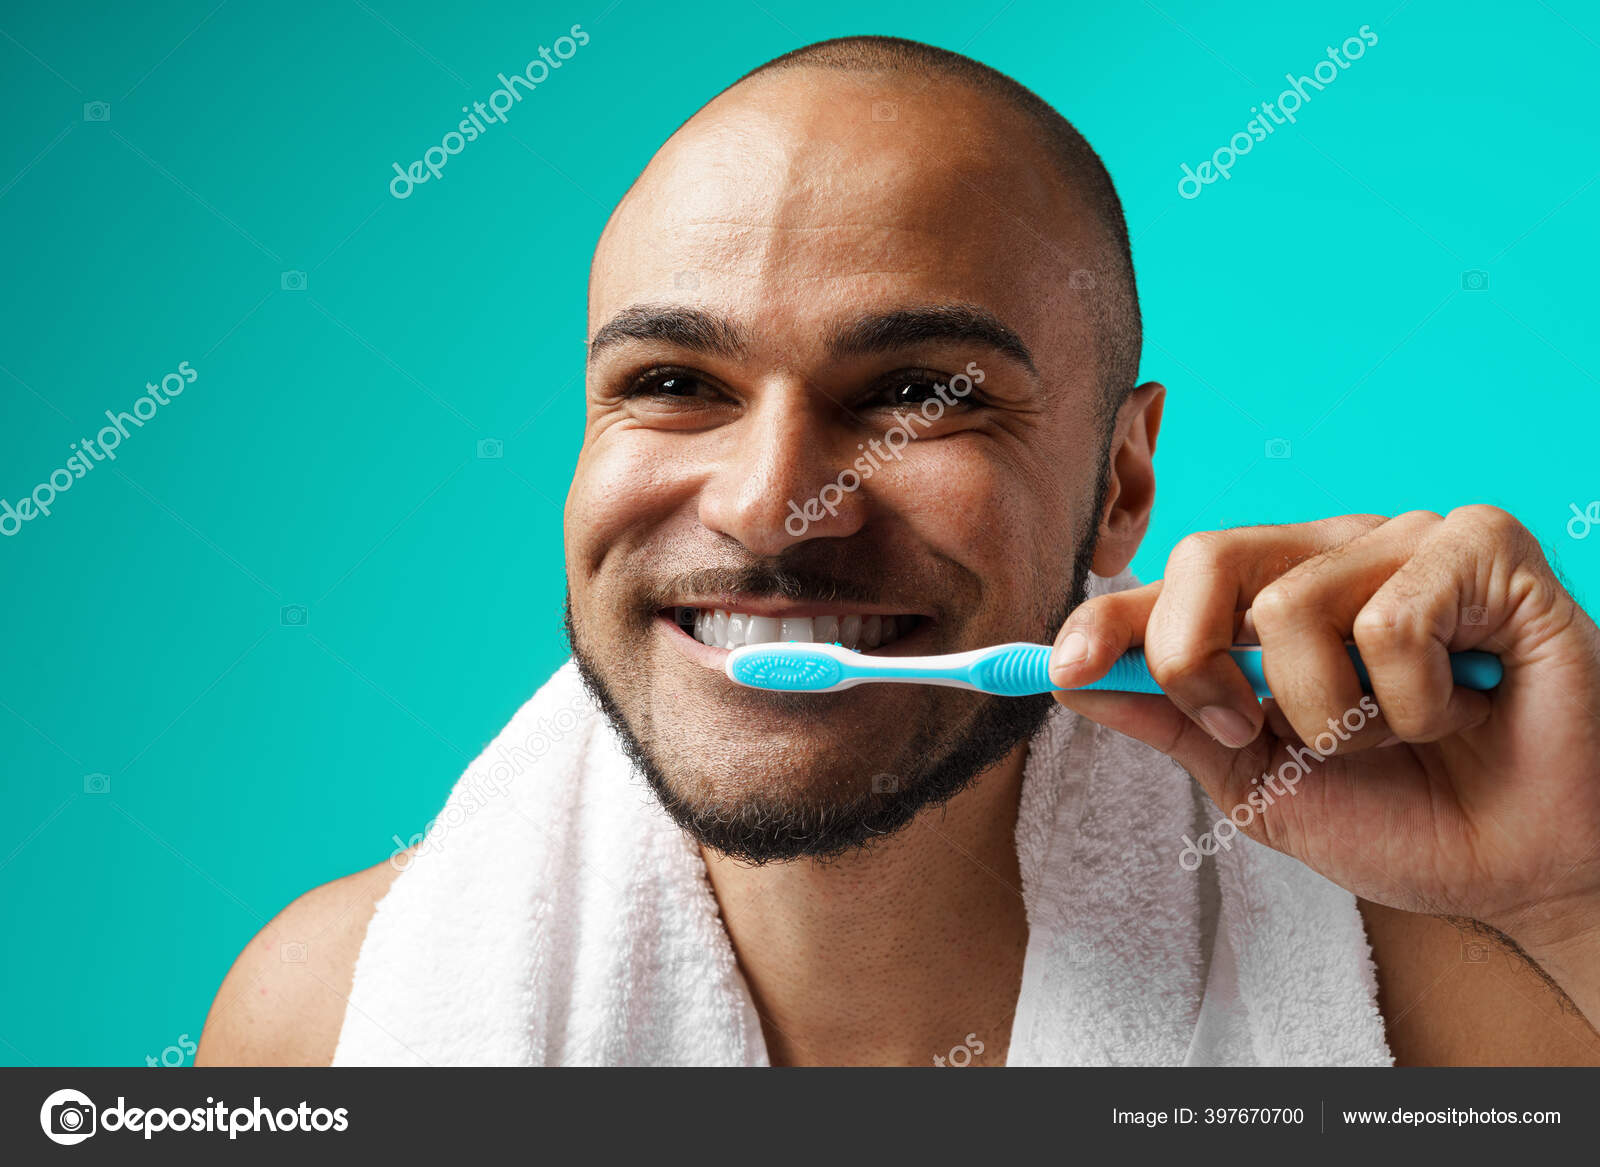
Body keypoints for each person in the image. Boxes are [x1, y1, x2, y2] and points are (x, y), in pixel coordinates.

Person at [198, 36, 1600, 1067]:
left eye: (919, 394)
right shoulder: (321, 1026)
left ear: (1121, 483)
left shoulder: (1480, 1003)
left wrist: (1575, 895)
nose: (770, 508)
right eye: (675, 382)